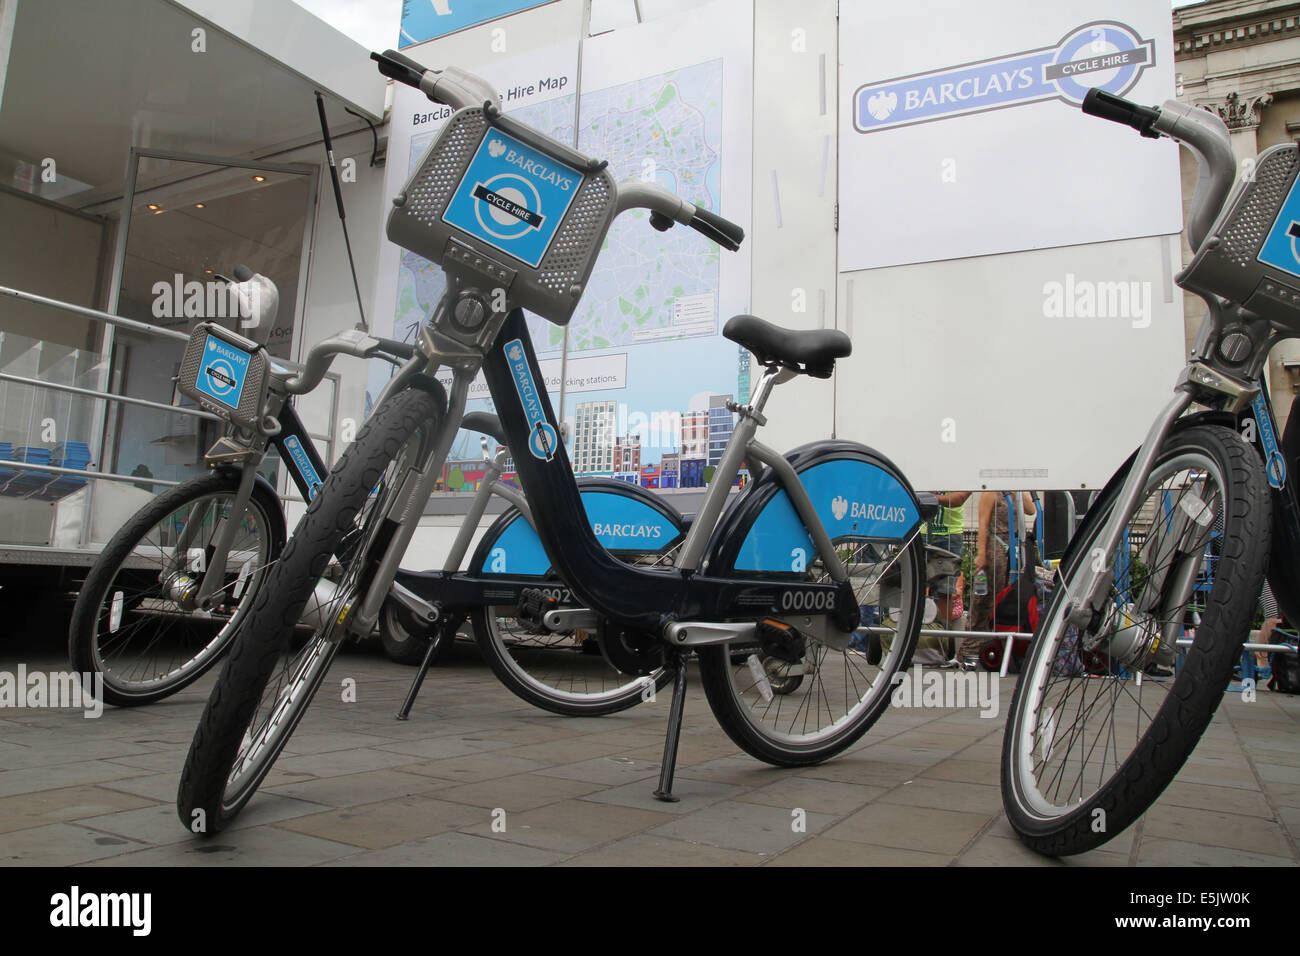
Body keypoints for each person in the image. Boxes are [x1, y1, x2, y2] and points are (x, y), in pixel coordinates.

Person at [959, 491, 1037, 669]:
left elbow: (1031, 510)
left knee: (1005, 598)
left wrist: (1018, 488)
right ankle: (970, 649)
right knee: (984, 601)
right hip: (995, 547)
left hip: (1012, 547)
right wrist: (981, 554)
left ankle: (1001, 646)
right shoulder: (991, 492)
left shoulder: (1014, 492)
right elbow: (983, 523)